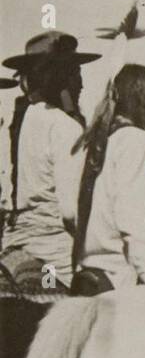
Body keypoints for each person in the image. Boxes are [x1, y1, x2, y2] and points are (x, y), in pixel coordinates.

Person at [1, 31, 100, 291]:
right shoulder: (64, 127)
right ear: (62, 77)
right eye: (76, 73)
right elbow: (70, 212)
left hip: (18, 238)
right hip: (54, 248)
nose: (81, 83)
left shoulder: (24, 119)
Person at [69, 64, 145, 293]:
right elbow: (134, 223)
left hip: (90, 275)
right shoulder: (134, 140)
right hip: (119, 282)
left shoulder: (98, 141)